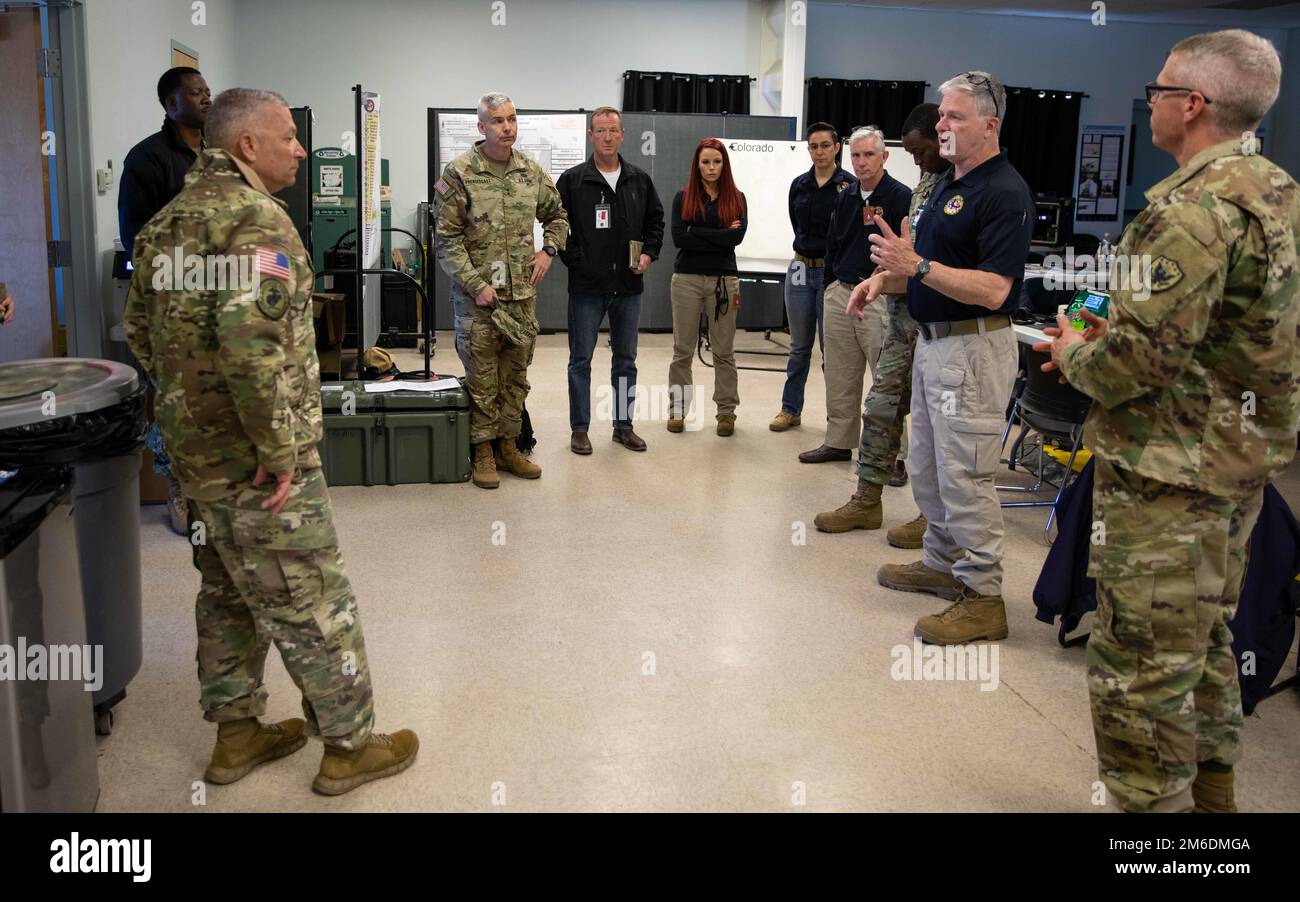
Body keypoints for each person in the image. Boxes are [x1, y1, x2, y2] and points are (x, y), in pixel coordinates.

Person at [125, 88, 418, 796]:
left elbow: (140, 335)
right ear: (247, 146)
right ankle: (349, 745)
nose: (299, 150)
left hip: (196, 462)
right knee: (312, 596)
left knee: (226, 591)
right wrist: (279, 453)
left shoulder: (163, 228)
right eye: (287, 137)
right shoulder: (259, 224)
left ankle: (236, 736)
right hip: (261, 467)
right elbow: (252, 353)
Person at [1037, 30, 1299, 813]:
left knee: (1143, 660)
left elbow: (1130, 368)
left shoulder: (1192, 210)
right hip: (1238, 464)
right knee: (1210, 642)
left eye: (1158, 89)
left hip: (1169, 474)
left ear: (1193, 105)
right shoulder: (1279, 192)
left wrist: (1075, 349)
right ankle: (1214, 805)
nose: (1150, 100)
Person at [849, 71, 1034, 645]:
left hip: (974, 348)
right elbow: (925, 273)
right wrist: (887, 281)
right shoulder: (950, 187)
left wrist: (917, 267)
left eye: (954, 117)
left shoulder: (1003, 191)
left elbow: (994, 289)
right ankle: (940, 562)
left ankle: (982, 595)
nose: (942, 126)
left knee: (966, 473)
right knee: (929, 467)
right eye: (941, 117)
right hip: (934, 344)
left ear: (989, 124)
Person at [815, 103, 950, 545]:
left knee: (933, 424)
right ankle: (867, 500)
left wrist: (900, 272)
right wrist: (881, 280)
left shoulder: (974, 189)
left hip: (945, 322)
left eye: (919, 149)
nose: (916, 159)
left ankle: (933, 518)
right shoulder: (928, 184)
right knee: (880, 406)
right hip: (902, 311)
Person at [435, 92, 568, 488]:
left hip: (521, 300)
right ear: (481, 127)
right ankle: (482, 453)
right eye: (497, 121)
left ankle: (509, 447)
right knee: (481, 377)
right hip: (478, 302)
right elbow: (447, 239)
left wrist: (548, 251)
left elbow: (557, 216)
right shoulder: (459, 173)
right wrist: (475, 285)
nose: (506, 127)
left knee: (515, 376)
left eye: (511, 119)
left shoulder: (530, 171)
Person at [119, 66, 211, 536]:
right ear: (170, 103)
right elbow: (135, 238)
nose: (205, 99)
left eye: (207, 91)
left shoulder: (218, 155)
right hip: (171, 304)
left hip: (220, 302)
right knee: (177, 401)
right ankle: (177, 487)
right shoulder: (148, 159)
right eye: (194, 93)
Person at [556, 105, 664, 455]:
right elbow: (557, 228)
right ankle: (580, 429)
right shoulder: (573, 180)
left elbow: (655, 223)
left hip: (628, 289)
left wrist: (648, 253)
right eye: (599, 130)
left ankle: (623, 426)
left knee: (626, 360)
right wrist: (578, 263)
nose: (606, 136)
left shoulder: (639, 179)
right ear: (591, 135)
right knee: (580, 361)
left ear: (622, 135)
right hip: (587, 288)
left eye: (612, 130)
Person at [798, 126, 909, 465]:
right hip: (840, 294)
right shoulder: (845, 196)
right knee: (840, 373)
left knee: (886, 381)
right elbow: (833, 244)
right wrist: (831, 284)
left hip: (879, 299)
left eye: (869, 155)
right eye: (856, 155)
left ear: (884, 156)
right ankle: (838, 441)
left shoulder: (901, 197)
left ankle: (893, 456)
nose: (861, 162)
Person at [769, 122, 853, 433]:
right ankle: (790, 410)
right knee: (799, 347)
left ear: (837, 148)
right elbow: (797, 224)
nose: (819, 152)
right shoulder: (800, 185)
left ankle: (837, 419)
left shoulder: (849, 186)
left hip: (832, 274)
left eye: (825, 146)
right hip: (801, 269)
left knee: (832, 351)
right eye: (813, 146)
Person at [667, 138, 748, 436]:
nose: (711, 167)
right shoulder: (683, 197)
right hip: (686, 280)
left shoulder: (737, 198)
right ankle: (677, 410)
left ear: (724, 164)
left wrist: (696, 231)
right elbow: (679, 238)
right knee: (682, 351)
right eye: (705, 162)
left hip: (724, 281)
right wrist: (720, 232)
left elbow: (735, 240)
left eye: (716, 162)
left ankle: (726, 413)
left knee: (724, 351)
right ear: (697, 165)